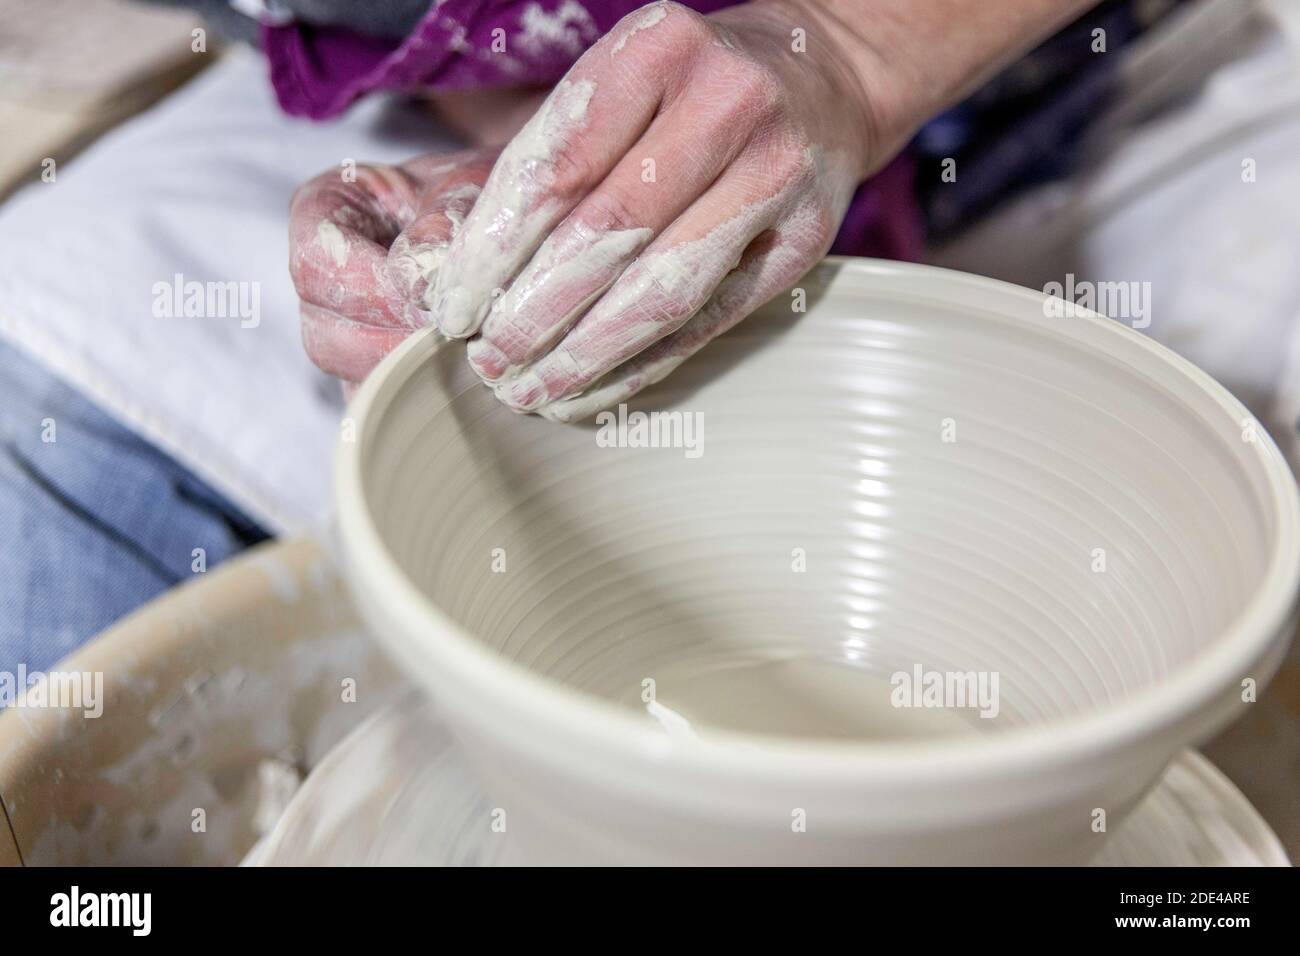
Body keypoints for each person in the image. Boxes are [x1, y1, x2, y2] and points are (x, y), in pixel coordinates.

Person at [3, 0, 1209, 668]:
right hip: (537, 70)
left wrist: (848, 50)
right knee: (43, 348)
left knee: (1185, 506)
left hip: (1048, 64)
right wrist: (547, 176)